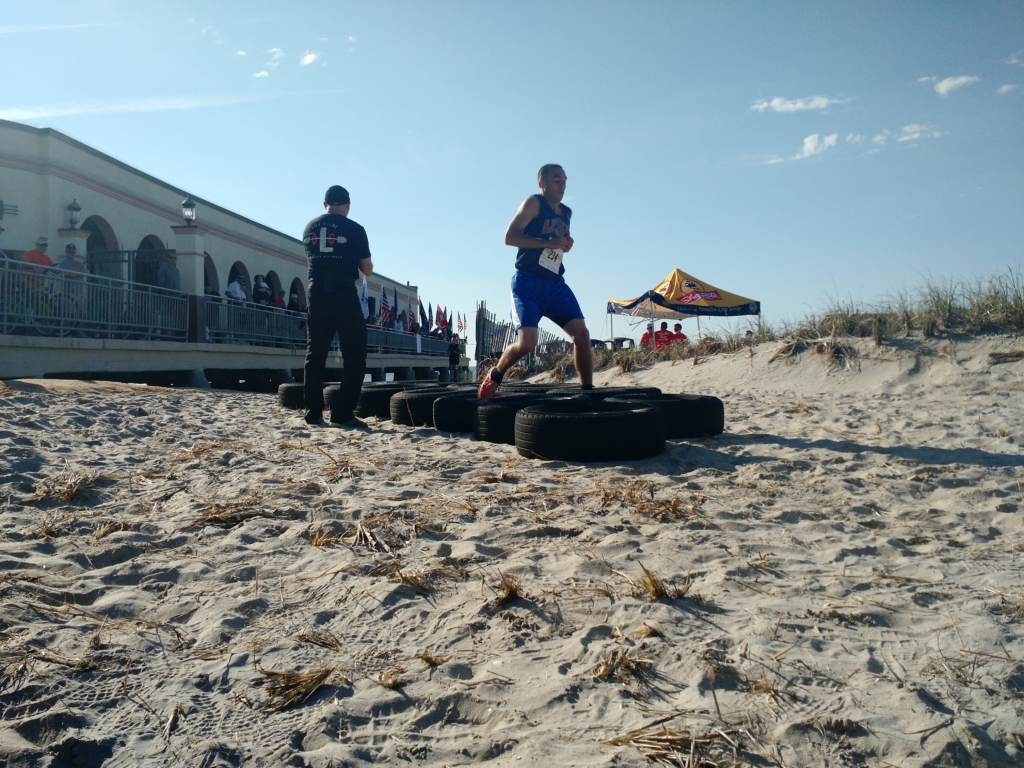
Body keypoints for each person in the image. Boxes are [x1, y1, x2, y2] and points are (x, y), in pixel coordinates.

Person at [478, 164, 592, 397]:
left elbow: (559, 242)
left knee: (582, 334)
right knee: (527, 343)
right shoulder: (533, 204)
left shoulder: (566, 213)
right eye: (557, 181)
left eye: (565, 181)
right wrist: (548, 243)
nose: (563, 185)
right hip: (527, 283)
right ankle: (495, 375)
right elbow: (510, 237)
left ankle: (587, 390)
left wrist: (565, 244)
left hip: (555, 284)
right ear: (542, 183)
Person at [301, 185, 373, 428]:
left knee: (315, 353)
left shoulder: (309, 228)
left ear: (325, 205)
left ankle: (313, 412)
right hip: (343, 291)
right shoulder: (355, 229)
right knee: (354, 353)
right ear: (348, 205)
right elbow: (367, 269)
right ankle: (342, 412)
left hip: (316, 291)